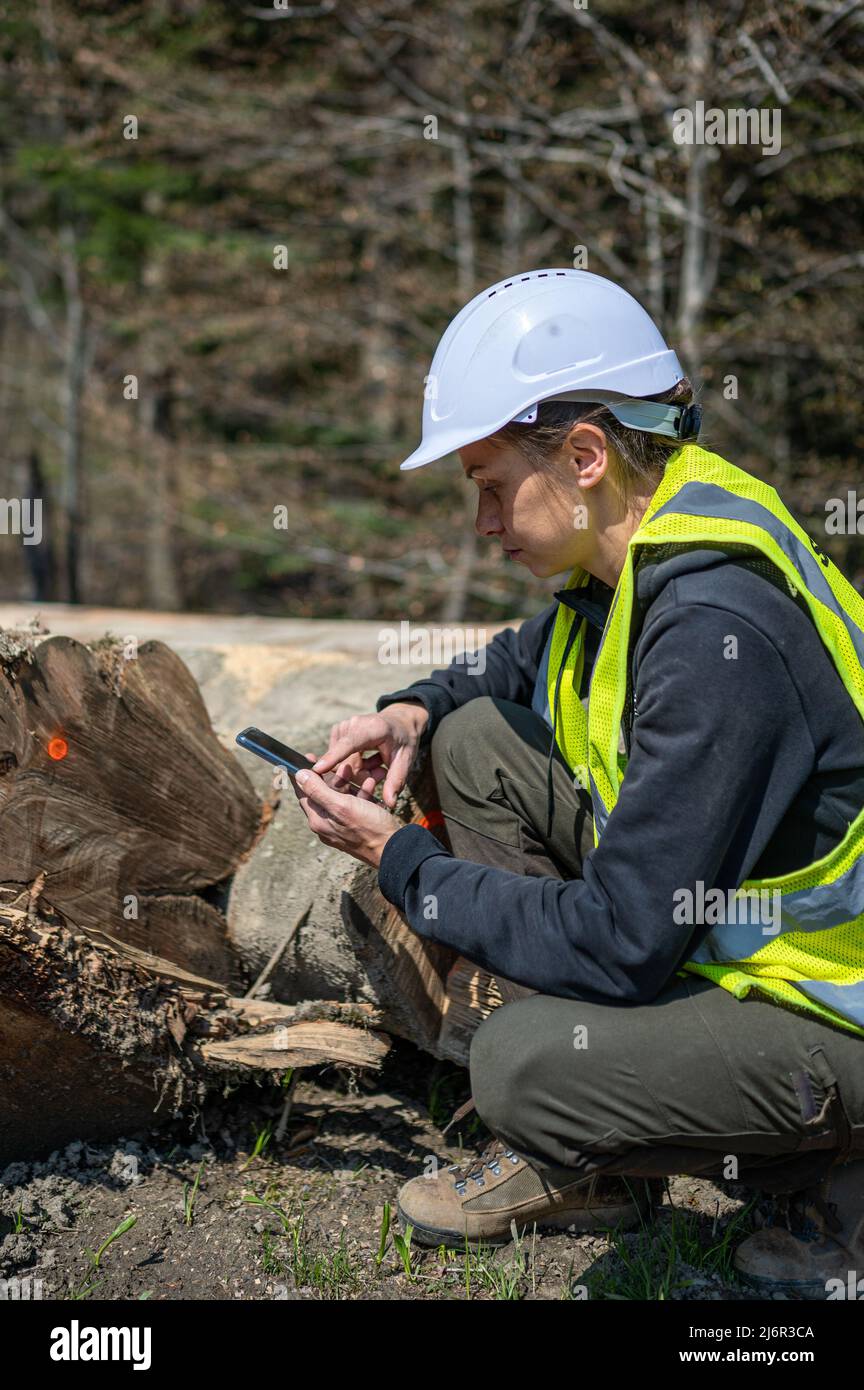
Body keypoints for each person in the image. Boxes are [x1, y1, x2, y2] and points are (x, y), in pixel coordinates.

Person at [290, 268, 864, 1298]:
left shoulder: (712, 633)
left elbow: (621, 940)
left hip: (838, 1015)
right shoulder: (637, 556)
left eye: (489, 482)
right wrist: (408, 712)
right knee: (470, 740)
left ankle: (838, 1189)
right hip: (735, 947)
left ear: (586, 455)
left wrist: (400, 859)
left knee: (525, 1065)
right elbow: (513, 666)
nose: (482, 521)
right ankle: (601, 1170)